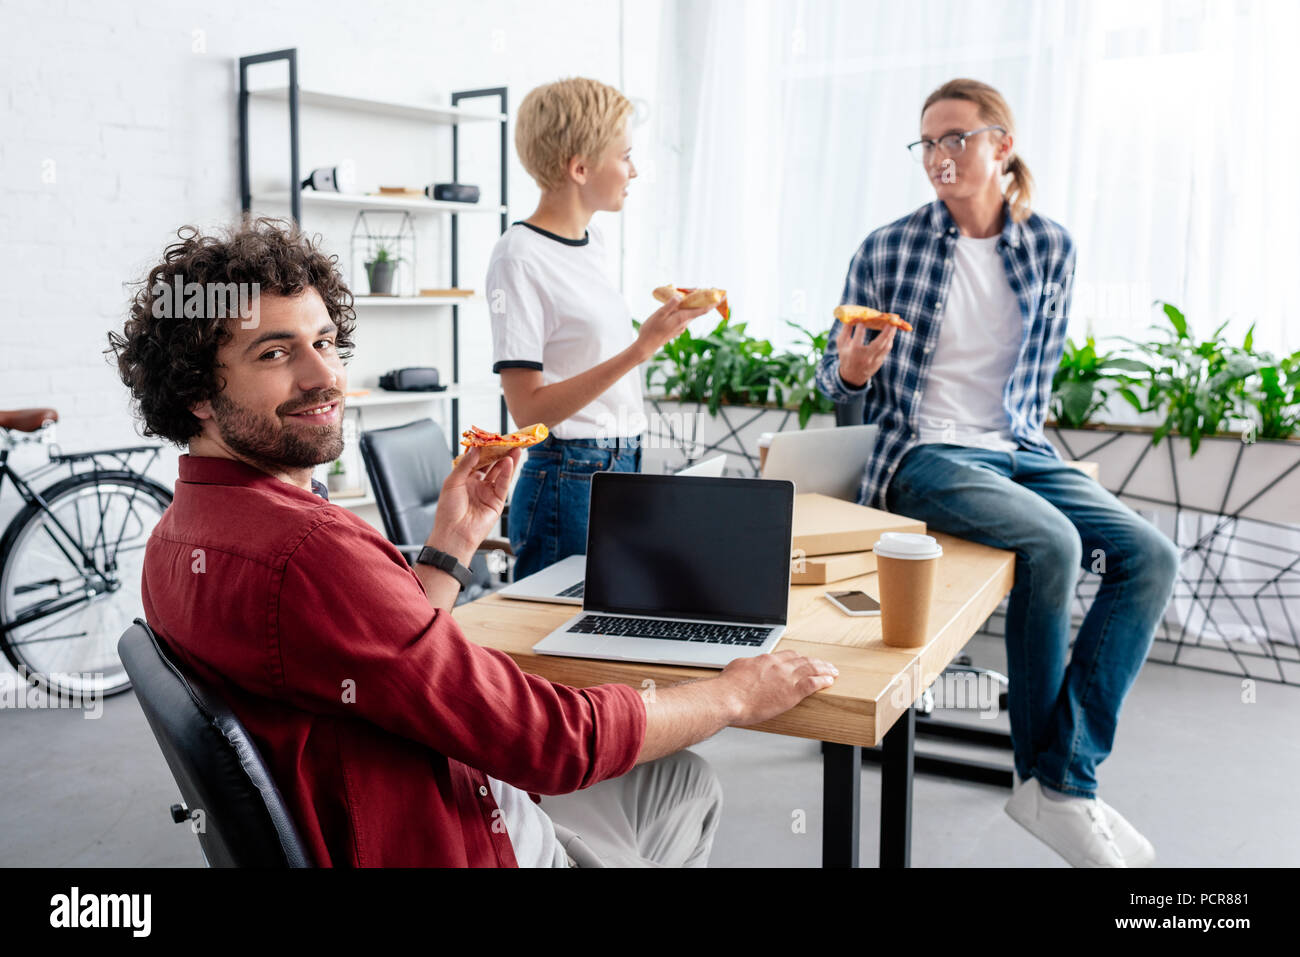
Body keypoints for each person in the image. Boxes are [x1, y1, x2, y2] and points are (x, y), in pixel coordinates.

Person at [109, 218, 838, 867]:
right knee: (687, 783)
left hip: (404, 797)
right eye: (275, 353)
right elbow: (553, 742)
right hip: (453, 833)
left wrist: (452, 543)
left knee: (671, 775)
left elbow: (371, 661)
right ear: (197, 393)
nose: (324, 374)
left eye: (325, 341)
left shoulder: (177, 538)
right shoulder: (308, 549)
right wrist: (736, 694)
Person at [817, 79, 1179, 868]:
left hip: (1017, 447)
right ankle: (1055, 784)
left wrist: (1028, 455)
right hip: (922, 455)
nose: (939, 157)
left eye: (955, 139)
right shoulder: (886, 247)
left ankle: (1061, 781)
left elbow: (1031, 389)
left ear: (1000, 146)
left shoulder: (1051, 248)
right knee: (1050, 542)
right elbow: (834, 381)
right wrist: (848, 371)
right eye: (927, 144)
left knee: (1152, 556)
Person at [487, 77, 715, 579]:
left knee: (610, 625)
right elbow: (527, 411)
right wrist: (640, 349)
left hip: (623, 461)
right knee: (553, 645)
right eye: (625, 155)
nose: (633, 170)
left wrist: (659, 331)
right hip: (570, 474)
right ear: (580, 167)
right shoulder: (518, 256)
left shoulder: (594, 243)